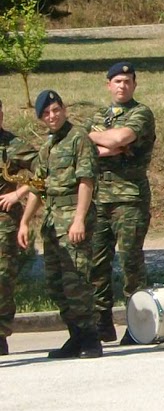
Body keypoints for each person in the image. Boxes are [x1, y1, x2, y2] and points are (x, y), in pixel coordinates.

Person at [87, 61, 156, 344]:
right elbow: (87, 144)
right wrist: (108, 144)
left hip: (130, 199)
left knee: (131, 262)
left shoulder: (141, 113)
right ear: (108, 85)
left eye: (127, 81)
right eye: (117, 81)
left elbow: (121, 136)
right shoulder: (98, 114)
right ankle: (101, 324)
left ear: (134, 85)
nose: (122, 86)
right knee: (96, 263)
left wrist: (110, 141)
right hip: (99, 199)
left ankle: (137, 324)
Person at [27, 91, 99, 358]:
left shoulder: (77, 138)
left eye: (56, 110)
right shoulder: (48, 146)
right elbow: (38, 187)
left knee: (77, 281)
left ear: (64, 110)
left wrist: (79, 218)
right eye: (46, 113)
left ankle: (91, 338)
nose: (52, 116)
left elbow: (86, 181)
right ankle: (75, 335)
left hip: (73, 219)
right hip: (52, 222)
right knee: (57, 283)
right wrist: (25, 222)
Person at [0, 99, 39, 357]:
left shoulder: (13, 145)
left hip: (2, 222)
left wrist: (18, 194)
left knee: (2, 278)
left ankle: (0, 334)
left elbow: (44, 172)